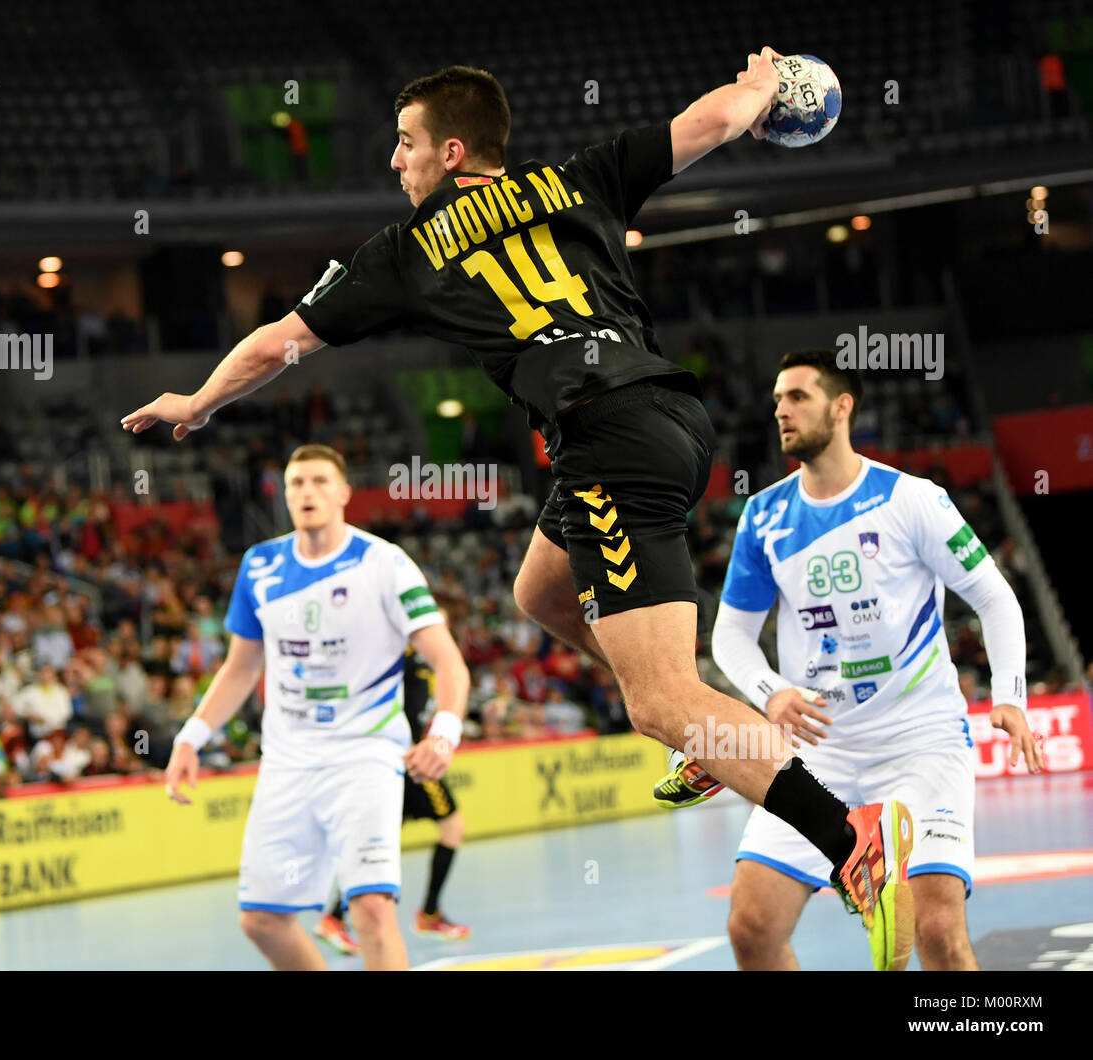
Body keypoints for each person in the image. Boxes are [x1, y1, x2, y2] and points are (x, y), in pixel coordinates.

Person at [124, 56, 913, 967]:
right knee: (538, 593)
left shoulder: (408, 251)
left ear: (452, 152)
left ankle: (849, 838)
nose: (396, 163)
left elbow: (277, 343)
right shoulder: (578, 176)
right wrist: (766, 85)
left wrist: (197, 403)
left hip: (608, 437)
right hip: (672, 422)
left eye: (408, 146)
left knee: (658, 704)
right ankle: (711, 730)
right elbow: (711, 121)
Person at [656, 350, 1041, 970]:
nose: (781, 409)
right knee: (752, 927)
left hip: (919, 742)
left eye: (799, 397)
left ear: (842, 407)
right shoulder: (764, 515)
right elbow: (730, 635)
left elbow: (995, 597)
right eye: (778, 398)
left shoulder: (913, 499)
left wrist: (1010, 698)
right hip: (820, 754)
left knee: (938, 931)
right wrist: (770, 691)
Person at [162, 445, 470, 971]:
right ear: (285, 496)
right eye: (296, 483)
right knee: (260, 921)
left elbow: (448, 661)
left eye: (320, 481)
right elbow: (240, 668)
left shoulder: (386, 563)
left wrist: (444, 733)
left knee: (371, 908)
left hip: (366, 755)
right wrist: (191, 737)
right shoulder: (260, 566)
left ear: (344, 492)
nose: (308, 492)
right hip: (288, 761)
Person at [315, 643, 470, 956]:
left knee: (379, 843)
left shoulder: (417, 656)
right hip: (411, 760)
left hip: (397, 758)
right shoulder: (395, 655)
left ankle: (333, 918)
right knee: (452, 828)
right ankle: (428, 914)